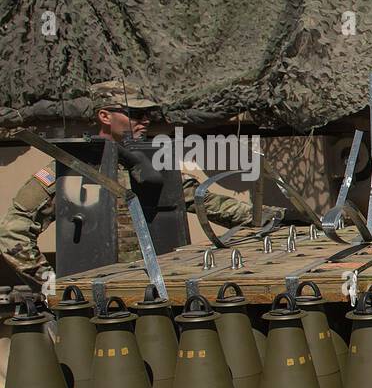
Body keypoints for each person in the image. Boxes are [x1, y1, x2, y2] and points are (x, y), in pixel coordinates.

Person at [0, 81, 254, 290]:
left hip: (155, 290)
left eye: (148, 115)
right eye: (135, 114)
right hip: (96, 297)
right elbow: (12, 232)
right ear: (104, 116)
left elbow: (207, 203)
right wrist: (50, 286)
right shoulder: (72, 168)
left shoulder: (154, 164)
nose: (144, 121)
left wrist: (274, 218)